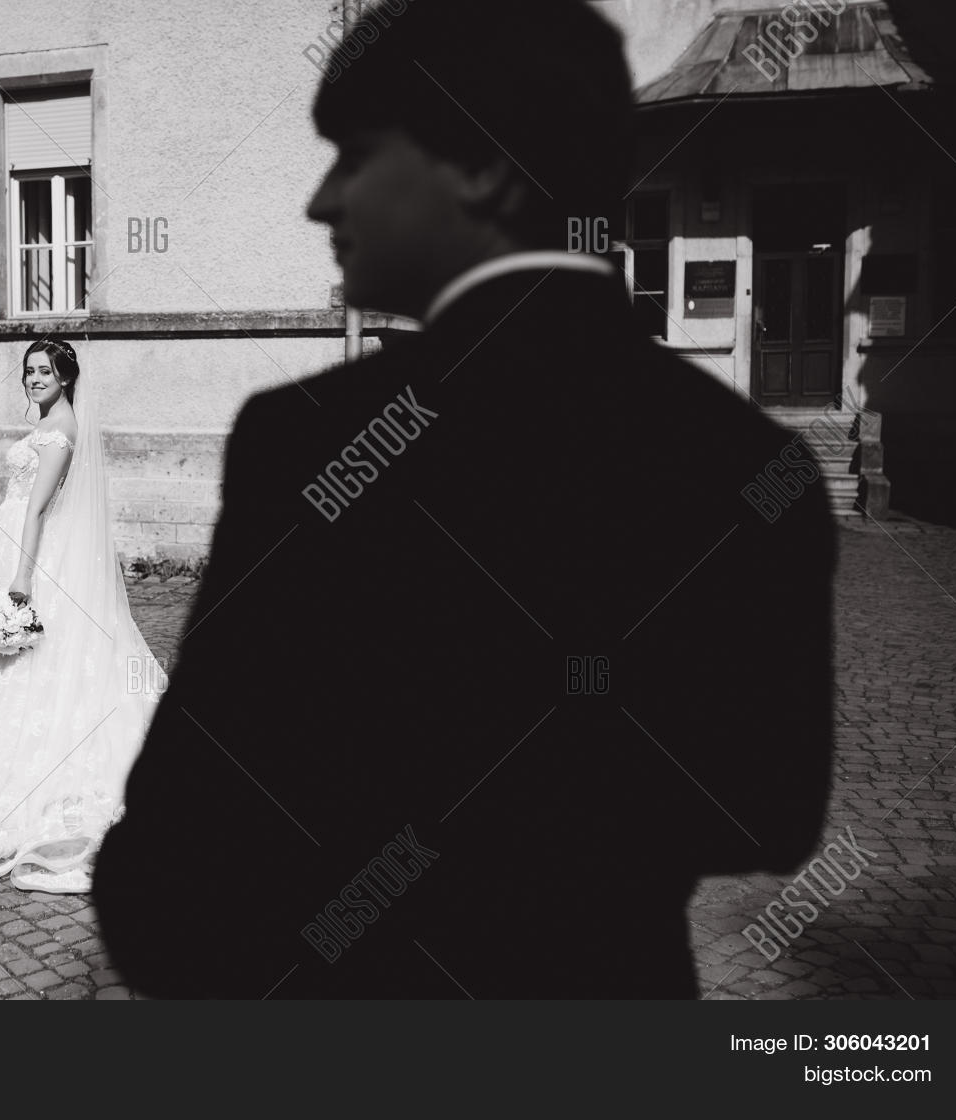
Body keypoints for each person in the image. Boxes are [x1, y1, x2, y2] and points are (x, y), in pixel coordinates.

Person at [94, 0, 836, 996]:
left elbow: (172, 870)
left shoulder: (314, 438)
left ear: (482, 166)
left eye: (355, 155)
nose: (322, 201)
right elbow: (772, 811)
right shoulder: (754, 458)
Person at [0, 338, 167, 894]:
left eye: (44, 371)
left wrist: (21, 578)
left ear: (66, 377)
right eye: (28, 371)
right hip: (15, 542)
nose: (34, 378)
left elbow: (39, 507)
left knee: (44, 662)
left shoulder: (63, 430)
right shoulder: (50, 423)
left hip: (32, 552)